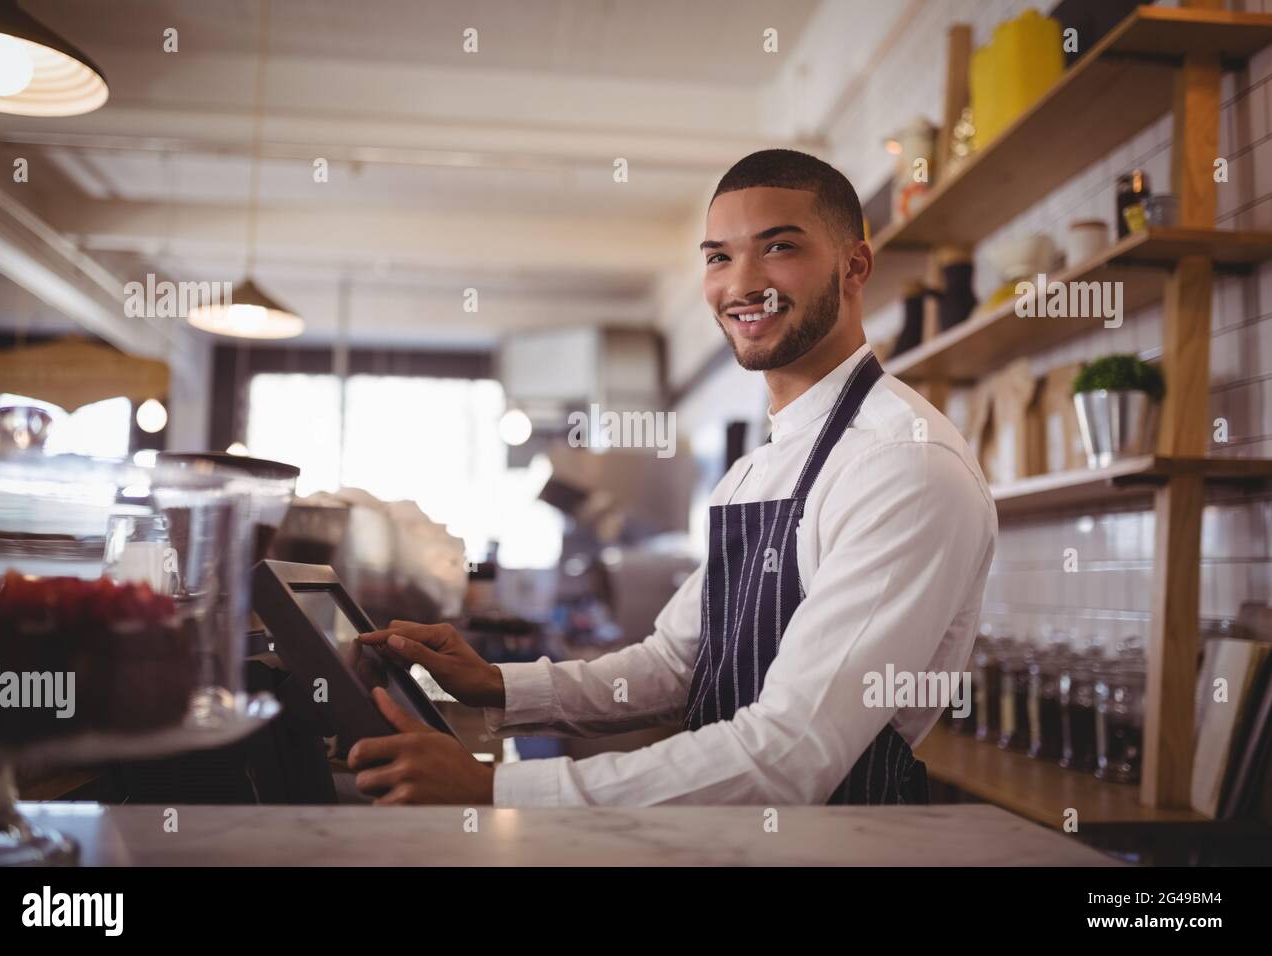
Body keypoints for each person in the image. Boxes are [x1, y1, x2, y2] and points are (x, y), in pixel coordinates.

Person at [349, 148, 997, 807]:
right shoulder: (754, 472)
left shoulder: (904, 465)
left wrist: (497, 789)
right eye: (719, 256)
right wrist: (497, 684)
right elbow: (675, 665)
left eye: (777, 248)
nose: (741, 283)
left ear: (855, 265)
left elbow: (790, 754)